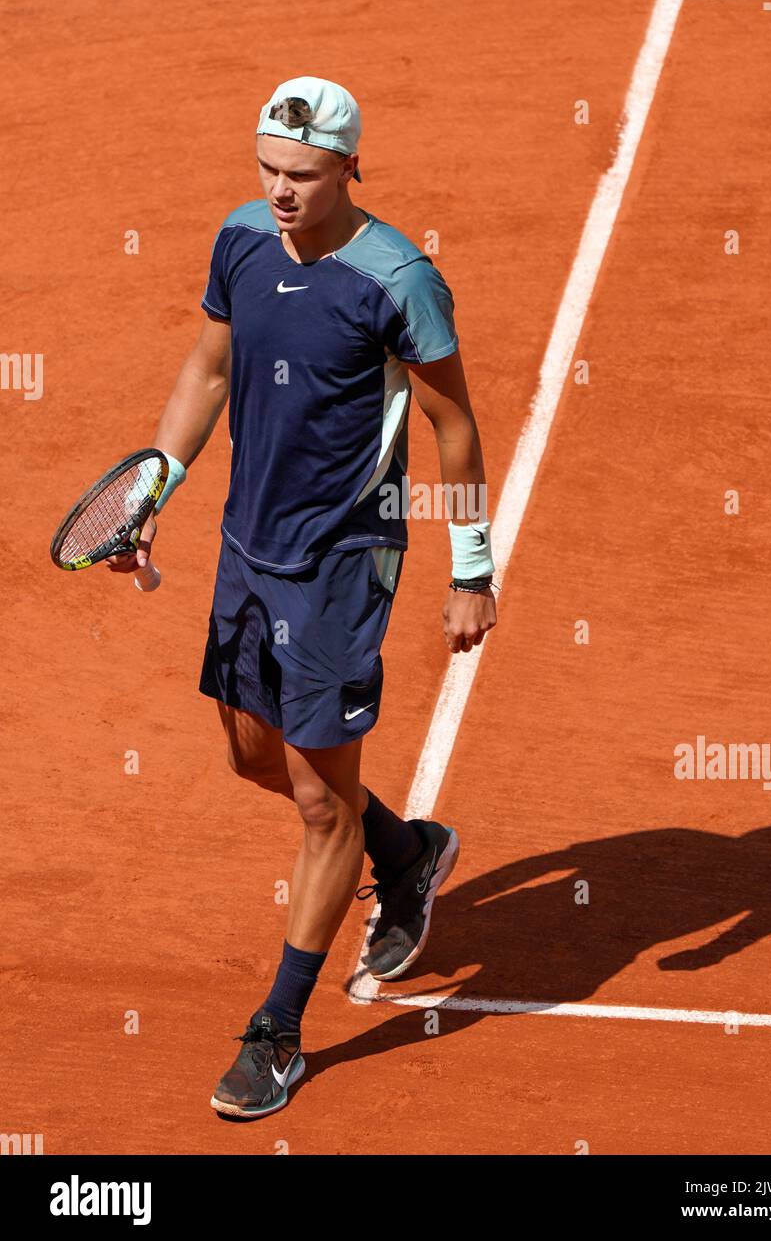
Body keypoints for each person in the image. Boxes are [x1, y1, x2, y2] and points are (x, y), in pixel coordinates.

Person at [108, 76, 498, 1118]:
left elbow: (450, 423)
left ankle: (276, 1031)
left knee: (320, 798)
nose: (281, 193)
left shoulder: (396, 277)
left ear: (349, 167)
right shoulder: (239, 240)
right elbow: (206, 369)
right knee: (250, 752)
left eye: (304, 176)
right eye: (269, 172)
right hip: (249, 545)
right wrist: (155, 483)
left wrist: (470, 567)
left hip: (338, 560)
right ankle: (406, 852)